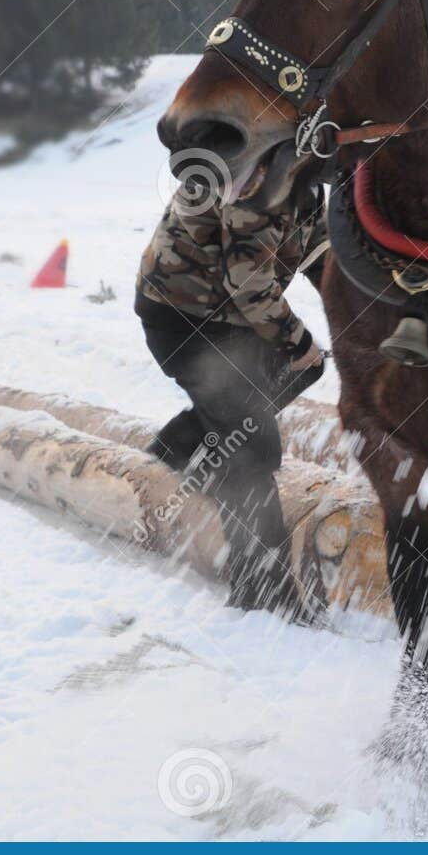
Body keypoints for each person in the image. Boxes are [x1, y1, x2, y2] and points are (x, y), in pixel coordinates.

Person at [135, 163, 329, 619]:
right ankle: (264, 597)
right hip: (185, 321)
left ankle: (184, 445)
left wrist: (361, 313)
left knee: (300, 373)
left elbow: (320, 253)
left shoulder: (299, 172)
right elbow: (250, 285)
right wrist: (300, 343)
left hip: (223, 319)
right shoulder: (256, 178)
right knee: (253, 451)